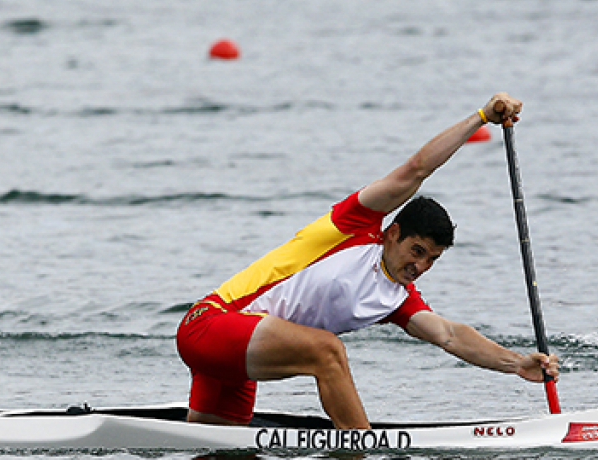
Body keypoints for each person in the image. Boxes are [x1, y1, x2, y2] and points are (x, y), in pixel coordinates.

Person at [177, 93, 559, 429]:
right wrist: (480, 116)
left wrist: (517, 365)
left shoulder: (397, 298)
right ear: (392, 233)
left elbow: (450, 335)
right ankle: (359, 448)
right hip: (210, 326)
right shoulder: (353, 226)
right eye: (417, 251)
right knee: (327, 351)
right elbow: (417, 169)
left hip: (236, 358)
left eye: (433, 260)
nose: (421, 267)